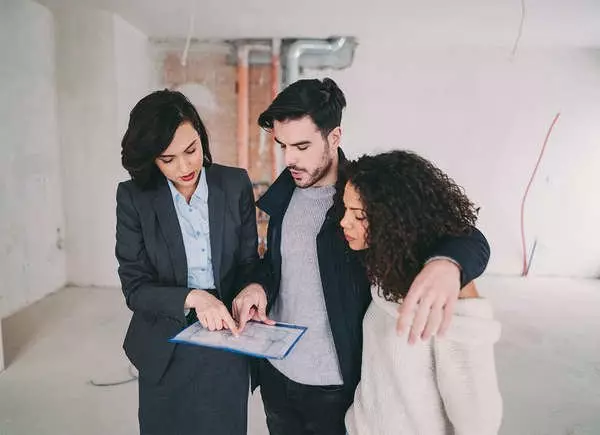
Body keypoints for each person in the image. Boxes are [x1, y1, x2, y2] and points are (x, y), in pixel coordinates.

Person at [232, 78, 492, 435]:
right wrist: (257, 287)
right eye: (283, 145)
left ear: (334, 137)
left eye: (302, 145)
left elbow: (468, 238)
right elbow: (277, 265)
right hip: (278, 375)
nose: (289, 159)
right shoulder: (283, 195)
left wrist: (447, 265)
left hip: (337, 385)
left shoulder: (363, 196)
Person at [115, 90, 258, 435]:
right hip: (165, 339)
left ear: (202, 138)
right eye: (168, 159)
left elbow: (249, 262)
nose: (184, 167)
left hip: (227, 335)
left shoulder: (234, 183)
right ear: (151, 159)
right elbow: (135, 288)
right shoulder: (134, 197)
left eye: (191, 150)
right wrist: (193, 297)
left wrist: (254, 287)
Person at [340, 150, 502, 435]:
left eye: (359, 215)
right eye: (345, 210)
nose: (344, 222)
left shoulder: (444, 295)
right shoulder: (386, 270)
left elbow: (478, 421)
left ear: (397, 220)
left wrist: (450, 264)